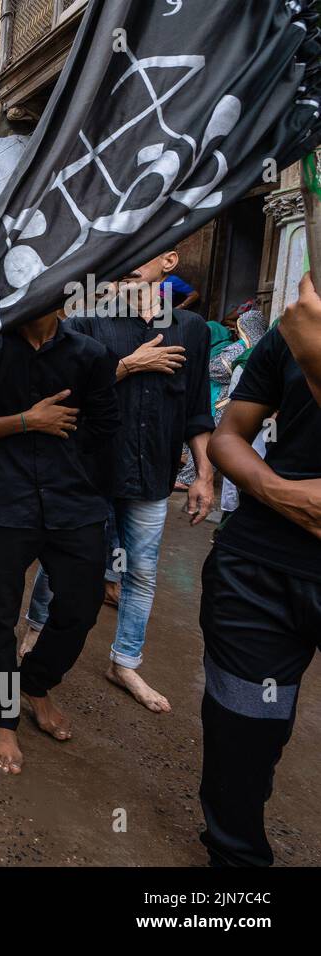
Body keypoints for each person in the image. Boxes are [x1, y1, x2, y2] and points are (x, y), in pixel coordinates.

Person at [0, 304, 120, 774]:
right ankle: (4, 720)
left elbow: (106, 427)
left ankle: (36, 683)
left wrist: (72, 461)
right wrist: (26, 421)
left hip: (73, 503)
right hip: (4, 501)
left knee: (80, 609)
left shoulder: (92, 355)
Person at [57, 252, 216, 713]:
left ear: (170, 260)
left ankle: (124, 662)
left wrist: (204, 473)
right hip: (89, 473)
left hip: (151, 477)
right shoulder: (86, 321)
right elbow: (65, 393)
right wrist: (128, 365)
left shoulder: (192, 329)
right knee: (64, 566)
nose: (130, 258)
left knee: (141, 573)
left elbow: (197, 409)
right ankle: (33, 633)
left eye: (147, 246)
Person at [198, 275, 321, 866]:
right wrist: (278, 492)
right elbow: (231, 436)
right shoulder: (289, 330)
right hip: (260, 574)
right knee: (242, 738)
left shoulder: (308, 336)